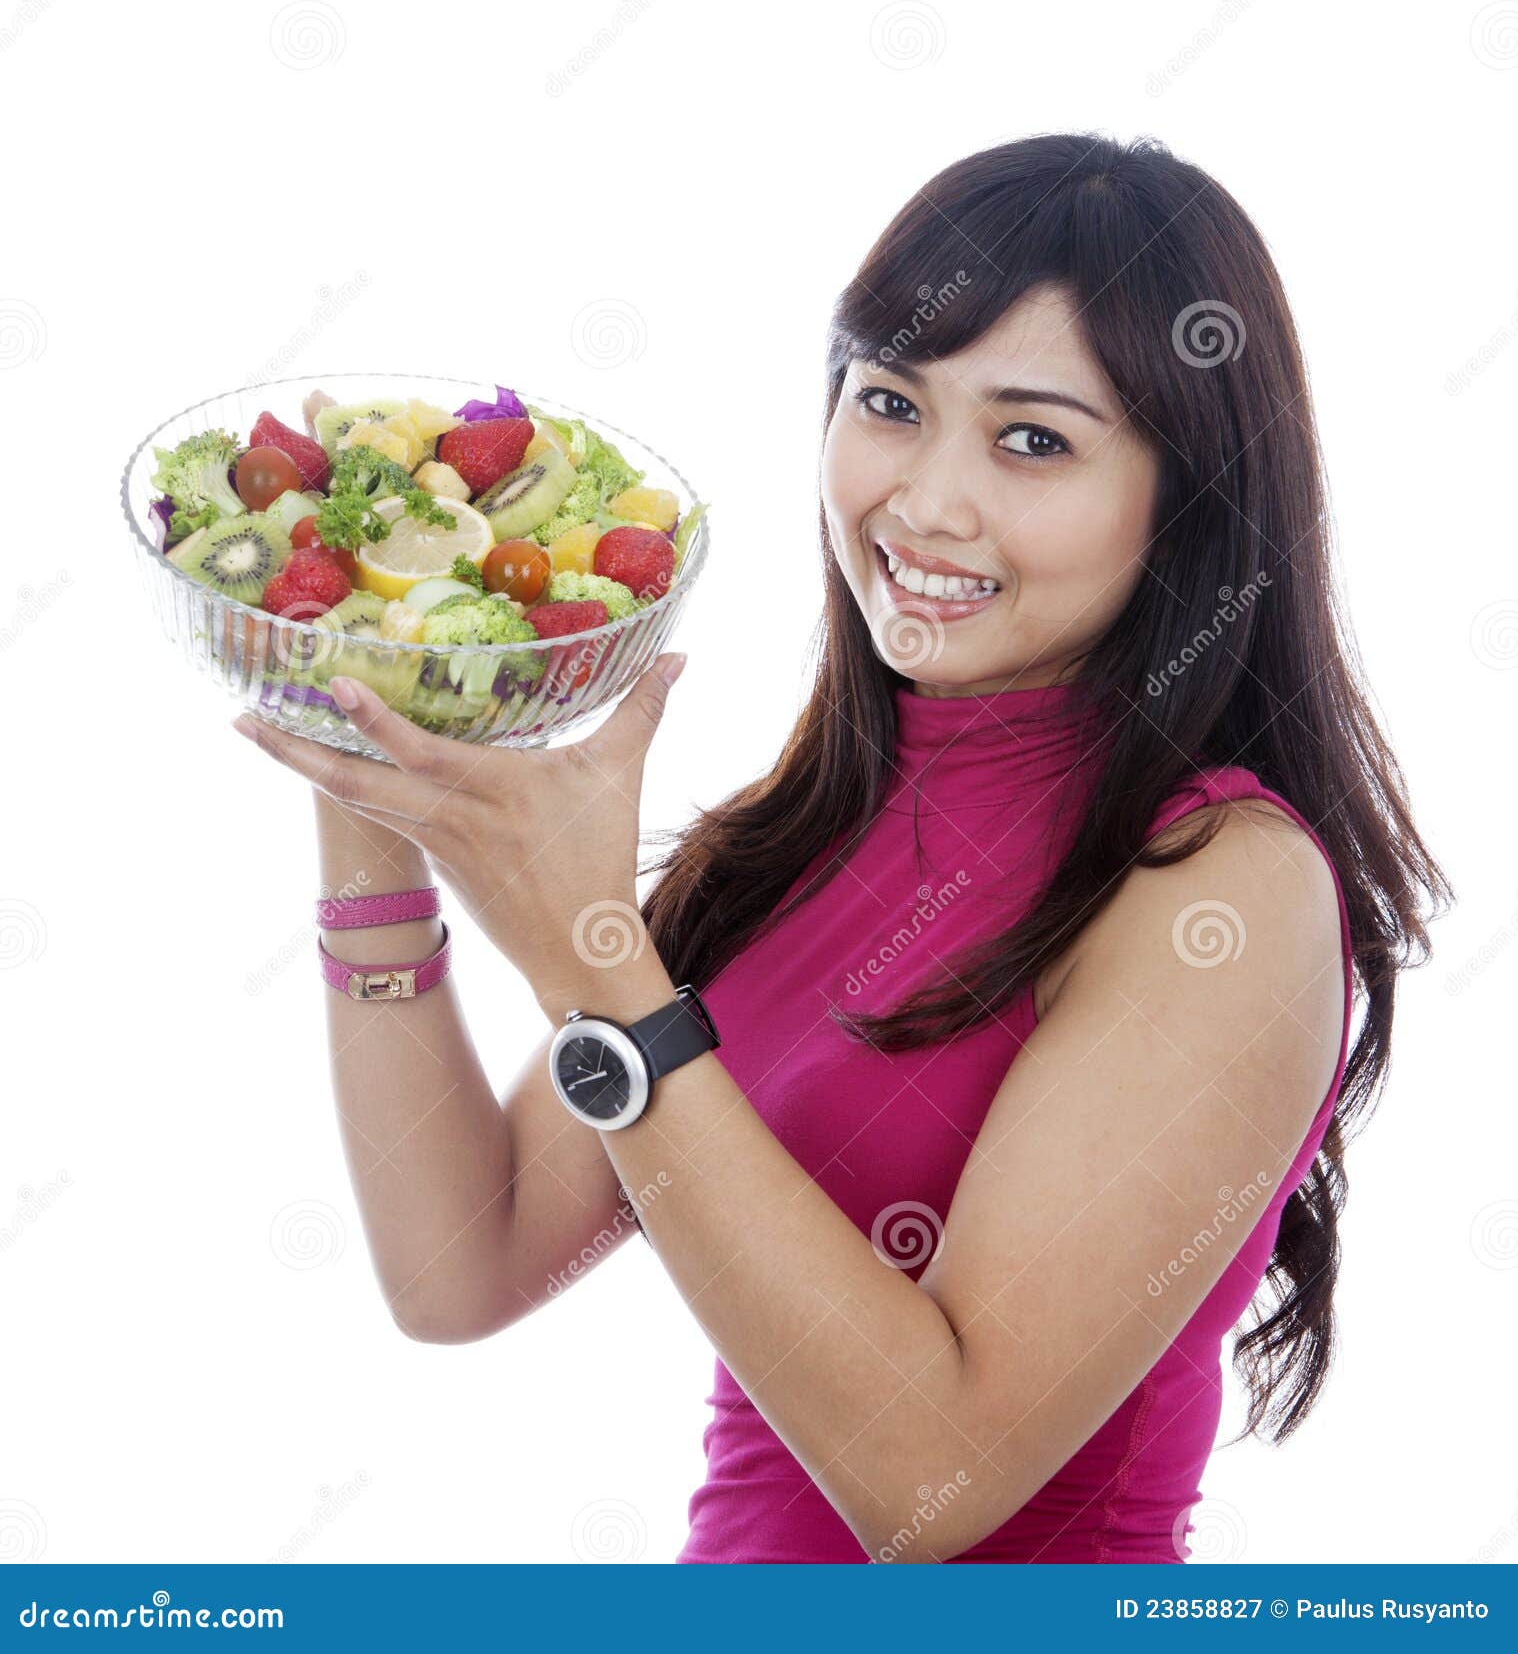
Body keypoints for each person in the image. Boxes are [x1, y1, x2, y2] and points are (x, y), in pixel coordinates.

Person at [234, 132, 1450, 1563]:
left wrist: (594, 965)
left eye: (1032, 438)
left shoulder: (1222, 885)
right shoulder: (790, 837)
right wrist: (369, 782)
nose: (923, 501)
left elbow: (926, 1479)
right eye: (888, 402)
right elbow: (462, 1262)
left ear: (1184, 500)